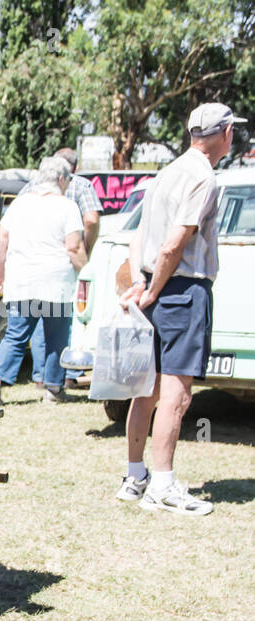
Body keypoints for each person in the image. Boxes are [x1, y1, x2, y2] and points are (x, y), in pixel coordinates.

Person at [116, 103, 243, 515]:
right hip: (182, 290)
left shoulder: (167, 172)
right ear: (224, 133)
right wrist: (154, 288)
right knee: (177, 393)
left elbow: (139, 237)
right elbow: (174, 243)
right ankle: (163, 486)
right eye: (232, 130)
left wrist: (142, 283)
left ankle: (135, 478)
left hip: (155, 286)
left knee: (146, 389)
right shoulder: (203, 177)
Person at [0, 156, 87, 405]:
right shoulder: (67, 206)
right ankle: (54, 389)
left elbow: (0, 241)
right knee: (56, 338)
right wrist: (87, 273)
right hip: (56, 285)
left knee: (15, 336)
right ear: (61, 179)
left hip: (22, 282)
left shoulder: (19, 204)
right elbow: (73, 247)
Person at [24, 146, 104, 389]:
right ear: (74, 168)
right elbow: (92, 220)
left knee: (39, 322)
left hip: (33, 262)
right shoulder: (81, 185)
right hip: (66, 260)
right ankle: (67, 374)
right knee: (67, 321)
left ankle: (40, 376)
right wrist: (85, 250)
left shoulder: (32, 186)